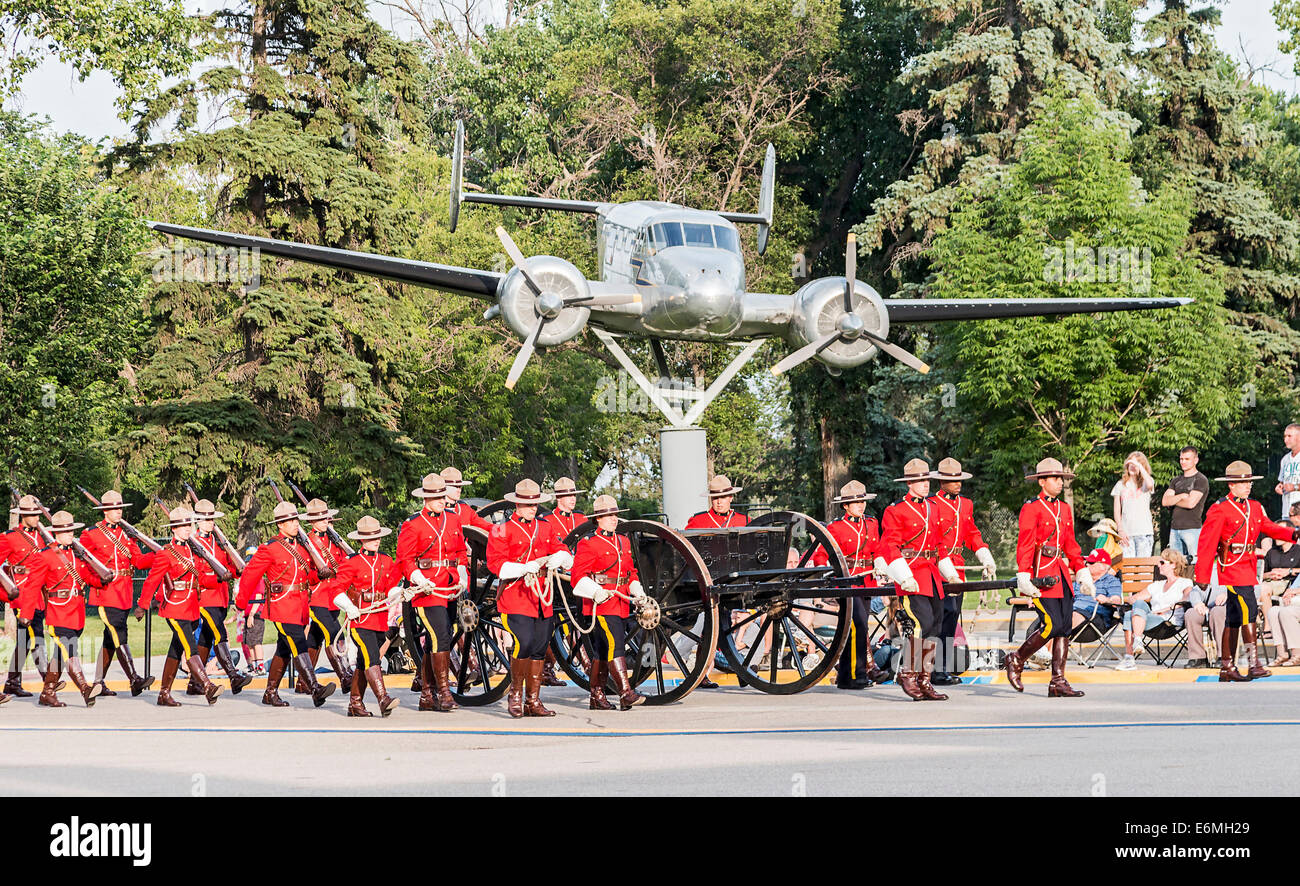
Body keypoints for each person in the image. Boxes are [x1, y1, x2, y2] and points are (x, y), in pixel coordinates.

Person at [1195, 460, 1299, 681]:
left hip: (1248, 566)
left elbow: (1268, 527)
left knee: (1233, 618)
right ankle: (1253, 664)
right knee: (1249, 610)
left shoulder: (1254, 506)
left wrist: (1293, 534)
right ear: (1231, 484)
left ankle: (1227, 667)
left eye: (1249, 482)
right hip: (1231, 568)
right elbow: (1207, 543)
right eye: (1243, 483)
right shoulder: (1220, 508)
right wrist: (1202, 576)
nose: (1247, 486)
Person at [1005, 457, 1094, 697]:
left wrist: (1081, 569)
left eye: (1061, 479)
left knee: (1064, 628)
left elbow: (1070, 544)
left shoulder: (1064, 508)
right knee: (1051, 624)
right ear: (1042, 482)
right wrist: (1024, 574)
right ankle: (1016, 658)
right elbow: (1024, 544)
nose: (1060, 483)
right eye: (1055, 479)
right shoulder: (1032, 507)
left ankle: (1058, 681)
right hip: (1040, 574)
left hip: (1060, 574)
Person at [236, 501, 337, 707]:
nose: (294, 524)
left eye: (295, 519)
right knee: (299, 643)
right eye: (289, 521)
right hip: (281, 606)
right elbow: (249, 575)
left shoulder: (300, 547)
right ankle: (315, 688)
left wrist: (320, 574)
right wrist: (241, 602)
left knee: (283, 650)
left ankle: (270, 692)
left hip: (299, 606)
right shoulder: (270, 548)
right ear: (280, 525)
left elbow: (307, 578)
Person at [486, 479, 570, 718]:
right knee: (524, 642)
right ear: (516, 504)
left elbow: (561, 547)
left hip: (542, 595)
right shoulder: (501, 529)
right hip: (517, 594)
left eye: (535, 503)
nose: (532, 507)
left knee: (540, 647)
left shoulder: (545, 527)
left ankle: (533, 701)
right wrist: (524, 567)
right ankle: (515, 695)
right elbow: (497, 566)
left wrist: (560, 557)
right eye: (527, 503)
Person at [134, 507, 223, 706]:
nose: (186, 529)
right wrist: (143, 605)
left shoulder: (193, 550)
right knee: (190, 647)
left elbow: (201, 575)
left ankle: (164, 693)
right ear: (173, 529)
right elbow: (152, 580)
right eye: (182, 526)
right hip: (174, 608)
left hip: (191, 606)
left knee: (176, 650)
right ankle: (207, 686)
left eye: (188, 525)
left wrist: (221, 577)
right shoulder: (166, 553)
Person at [317, 516, 404, 717]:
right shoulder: (352, 562)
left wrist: (398, 594)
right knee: (372, 657)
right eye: (370, 537)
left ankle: (355, 704)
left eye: (377, 536)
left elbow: (390, 586)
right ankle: (383, 699)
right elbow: (336, 589)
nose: (376, 540)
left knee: (365, 662)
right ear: (361, 540)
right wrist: (348, 606)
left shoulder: (385, 560)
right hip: (360, 621)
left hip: (380, 618)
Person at [396, 474, 469, 712]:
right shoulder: (413, 524)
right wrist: (418, 578)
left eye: (443, 495)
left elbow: (459, 551)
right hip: (427, 589)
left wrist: (462, 575)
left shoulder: (453, 519)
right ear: (427, 498)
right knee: (441, 636)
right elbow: (405, 560)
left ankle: (427, 695)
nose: (442, 500)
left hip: (449, 585)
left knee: (439, 637)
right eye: (437, 497)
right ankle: (444, 692)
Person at [570, 494, 646, 710]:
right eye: (608, 515)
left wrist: (637, 591)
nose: (613, 519)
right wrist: (596, 592)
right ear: (598, 519)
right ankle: (625, 692)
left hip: (620, 600)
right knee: (615, 643)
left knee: (603, 650)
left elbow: (630, 572)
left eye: (614, 514)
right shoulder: (589, 543)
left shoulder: (623, 540)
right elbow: (578, 576)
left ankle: (597, 696)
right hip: (601, 603)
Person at [78, 490, 155, 697]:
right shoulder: (91, 534)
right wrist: (94, 580)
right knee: (118, 632)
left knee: (110, 638)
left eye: (120, 507)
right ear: (105, 511)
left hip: (124, 591)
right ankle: (134, 679)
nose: (118, 511)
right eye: (114, 508)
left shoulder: (126, 534)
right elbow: (82, 562)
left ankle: (98, 683)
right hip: (106, 592)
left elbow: (138, 561)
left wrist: (158, 554)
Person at [928, 458, 998, 685]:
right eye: (952, 480)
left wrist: (983, 554)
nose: (958, 483)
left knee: (952, 619)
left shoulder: (965, 504)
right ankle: (933, 669)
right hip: (938, 566)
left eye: (960, 479)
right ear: (941, 482)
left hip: (958, 565)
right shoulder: (931, 504)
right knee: (939, 618)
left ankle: (943, 668)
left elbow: (971, 533)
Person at [815, 480, 890, 689]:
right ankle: (858, 674)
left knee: (854, 628)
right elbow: (821, 555)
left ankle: (845, 677)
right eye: (855, 502)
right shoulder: (836, 528)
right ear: (845, 506)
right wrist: (828, 578)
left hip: (866, 580)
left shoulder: (872, 524)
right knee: (859, 625)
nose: (860, 505)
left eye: (862, 501)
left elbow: (878, 550)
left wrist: (882, 566)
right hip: (846, 582)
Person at [879, 458, 943, 701]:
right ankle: (908, 674)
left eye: (927, 479)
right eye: (920, 480)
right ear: (909, 483)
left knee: (935, 626)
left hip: (931, 574)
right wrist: (904, 576)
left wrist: (949, 571)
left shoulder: (933, 507)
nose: (925, 484)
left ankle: (925, 681)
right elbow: (890, 546)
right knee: (920, 623)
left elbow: (939, 544)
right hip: (910, 575)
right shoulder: (895, 510)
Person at [29, 511, 106, 707]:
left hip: (76, 611)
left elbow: (86, 578)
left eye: (72, 530)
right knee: (70, 650)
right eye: (66, 531)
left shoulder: (76, 553)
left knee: (59, 655)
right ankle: (85, 690)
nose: (71, 534)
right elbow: (32, 587)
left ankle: (47, 692)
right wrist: (27, 614)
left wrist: (103, 581)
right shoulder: (45, 556)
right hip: (57, 612)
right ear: (56, 533)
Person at [685, 474, 748, 688]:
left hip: (734, 582)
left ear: (731, 497)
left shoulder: (743, 520)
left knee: (718, 627)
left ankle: (705, 673)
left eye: (723, 497)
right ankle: (733, 671)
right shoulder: (698, 521)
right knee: (716, 627)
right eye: (715, 498)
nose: (719, 501)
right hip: (708, 581)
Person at [187, 498, 252, 696]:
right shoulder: (193, 543)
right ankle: (233, 675)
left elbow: (228, 567)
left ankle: (194, 683)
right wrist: (218, 577)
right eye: (207, 520)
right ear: (198, 521)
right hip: (205, 599)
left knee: (205, 639)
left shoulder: (218, 541)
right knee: (219, 635)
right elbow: (195, 573)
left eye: (212, 520)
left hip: (221, 598)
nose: (211, 524)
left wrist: (237, 570)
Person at [2, 495, 57, 699]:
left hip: (40, 593)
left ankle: (12, 682)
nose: (36, 518)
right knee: (36, 637)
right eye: (33, 515)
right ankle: (49, 680)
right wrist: (8, 588)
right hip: (23, 594)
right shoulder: (9, 537)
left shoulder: (42, 536)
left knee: (25, 640)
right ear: (23, 515)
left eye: (38, 514)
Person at [300, 498, 354, 694]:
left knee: (315, 638)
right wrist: (317, 575)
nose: (326, 521)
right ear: (312, 522)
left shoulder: (333, 540)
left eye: (327, 518)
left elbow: (344, 563)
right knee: (334, 633)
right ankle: (345, 676)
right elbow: (305, 574)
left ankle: (303, 682)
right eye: (322, 519)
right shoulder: (307, 542)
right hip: (318, 598)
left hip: (334, 598)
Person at [540, 477, 587, 687]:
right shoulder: (547, 519)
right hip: (558, 576)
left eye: (574, 495)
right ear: (559, 497)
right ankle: (549, 670)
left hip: (580, 573)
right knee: (557, 625)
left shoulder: (581, 518)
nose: (573, 499)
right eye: (568, 495)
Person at [1117, 549, 1193, 670]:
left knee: (1129, 616)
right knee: (1137, 605)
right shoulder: (1156, 585)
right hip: (1150, 619)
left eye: (1162, 562)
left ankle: (1129, 658)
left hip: (1167, 623)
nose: (1158, 565)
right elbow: (1135, 598)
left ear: (1173, 564)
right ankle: (1137, 640)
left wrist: (1165, 609)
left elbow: (1187, 599)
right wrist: (1129, 599)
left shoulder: (1185, 582)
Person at [1162, 446, 1208, 560]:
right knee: (1175, 565)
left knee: (1194, 564)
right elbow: (1164, 501)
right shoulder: (1176, 480)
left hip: (1192, 529)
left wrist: (1173, 500)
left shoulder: (1201, 479)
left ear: (1195, 460)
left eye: (1187, 459)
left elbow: (1190, 504)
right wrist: (1182, 496)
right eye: (1181, 459)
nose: (1183, 462)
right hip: (1174, 529)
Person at [1112, 451, 1155, 558]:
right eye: (1130, 463)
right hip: (1126, 534)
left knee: (1143, 571)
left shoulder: (1146, 483)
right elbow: (1117, 511)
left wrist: (1139, 466)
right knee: (1128, 570)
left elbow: (1150, 484)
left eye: (1135, 464)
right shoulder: (1120, 485)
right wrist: (1120, 530)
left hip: (1144, 533)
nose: (1132, 466)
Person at [1070, 549, 1123, 635]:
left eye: (1091, 563)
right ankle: (1047, 647)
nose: (1086, 565)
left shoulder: (1111, 581)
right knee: (1050, 616)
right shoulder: (1081, 580)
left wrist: (1106, 600)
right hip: (1073, 614)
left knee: (1070, 617)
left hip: (1095, 620)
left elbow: (1116, 601)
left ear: (1103, 567)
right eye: (1086, 562)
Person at [237, 545, 266, 675]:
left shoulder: (259, 579)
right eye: (248, 562)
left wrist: (252, 614)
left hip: (256, 613)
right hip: (248, 613)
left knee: (256, 641)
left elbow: (259, 596)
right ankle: (254, 666)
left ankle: (260, 665)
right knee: (249, 641)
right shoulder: (248, 580)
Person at [442, 467, 492, 531]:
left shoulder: (465, 509)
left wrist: (504, 530)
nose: (459, 490)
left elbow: (484, 525)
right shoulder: (436, 510)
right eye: (455, 486)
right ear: (444, 487)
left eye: (459, 487)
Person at [1277, 424, 1300, 520]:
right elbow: (1282, 482)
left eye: (1289, 436)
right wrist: (1279, 486)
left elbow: (1292, 486)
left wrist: (1295, 487)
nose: (1286, 440)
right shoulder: (1285, 459)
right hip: (1287, 512)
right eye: (1285, 436)